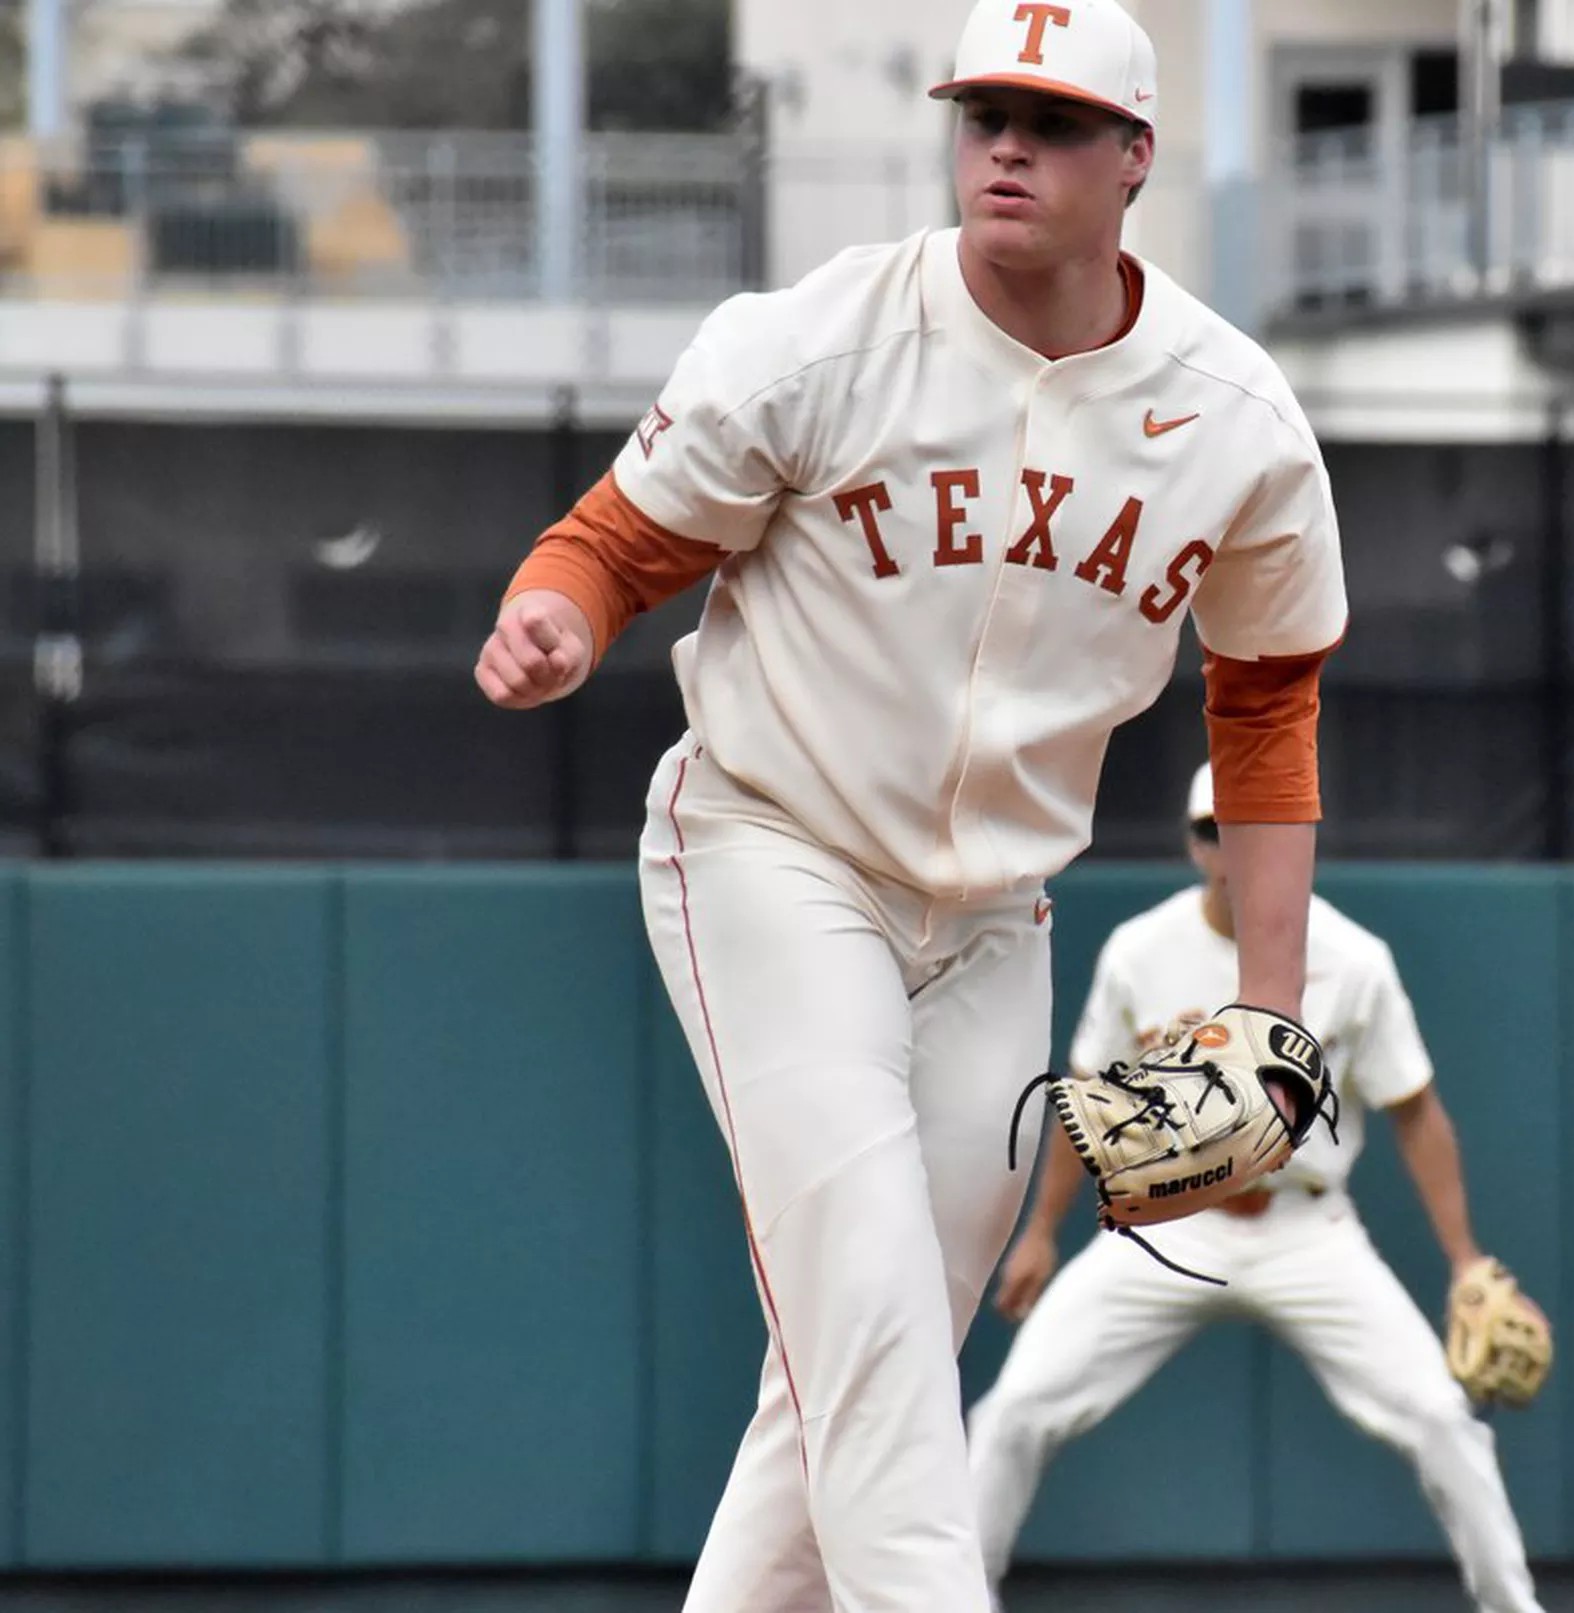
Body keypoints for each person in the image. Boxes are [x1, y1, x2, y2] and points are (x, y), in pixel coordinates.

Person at [468, 0, 1348, 1605]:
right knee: (870, 1335)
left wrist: (1264, 1018)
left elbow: (1268, 700)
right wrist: (559, 616)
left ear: (1136, 155)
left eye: (1055, 120)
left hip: (997, 922)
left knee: (851, 1387)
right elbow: (611, 542)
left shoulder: (1236, 422)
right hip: (770, 848)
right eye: (983, 112)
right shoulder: (819, 337)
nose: (1007, 144)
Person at [965, 764, 1550, 1613]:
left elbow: (1416, 1112)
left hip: (1306, 1229)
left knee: (1440, 1416)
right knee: (1016, 1409)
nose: (1232, 850)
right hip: (1167, 1228)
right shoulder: (1142, 949)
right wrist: (1041, 1232)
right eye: (1214, 831)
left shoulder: (1353, 959)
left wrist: (1465, 1261)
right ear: (1193, 843)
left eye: (1250, 831)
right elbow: (1085, 1098)